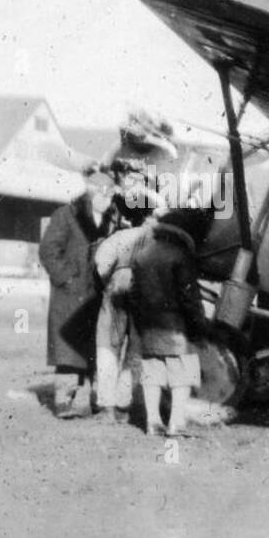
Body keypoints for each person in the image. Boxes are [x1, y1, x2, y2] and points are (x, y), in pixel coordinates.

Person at [38, 164, 121, 417]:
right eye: (104, 196)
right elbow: (48, 250)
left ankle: (95, 401)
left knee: (96, 348)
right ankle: (64, 403)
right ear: (91, 194)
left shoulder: (112, 220)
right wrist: (67, 279)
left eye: (111, 196)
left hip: (97, 295)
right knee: (68, 353)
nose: (108, 201)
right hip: (70, 296)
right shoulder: (66, 214)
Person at [92, 162, 168, 423]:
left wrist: (110, 282)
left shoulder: (119, 238)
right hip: (146, 297)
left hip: (116, 292)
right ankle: (124, 406)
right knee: (136, 352)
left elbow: (101, 265)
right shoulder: (160, 242)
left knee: (107, 348)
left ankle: (106, 408)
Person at [129, 208, 212, 436]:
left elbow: (134, 296)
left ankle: (153, 422)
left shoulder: (142, 255)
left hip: (148, 326)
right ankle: (176, 423)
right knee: (182, 376)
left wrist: (140, 324)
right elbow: (190, 300)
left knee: (152, 374)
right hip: (175, 329)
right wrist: (200, 328)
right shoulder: (181, 256)